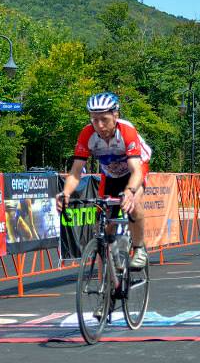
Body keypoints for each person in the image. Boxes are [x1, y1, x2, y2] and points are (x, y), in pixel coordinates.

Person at [57, 92, 150, 269]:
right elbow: (76, 171)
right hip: (110, 174)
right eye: (94, 119)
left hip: (135, 170)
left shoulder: (126, 131)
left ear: (116, 116)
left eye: (104, 119)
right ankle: (113, 256)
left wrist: (130, 192)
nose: (99, 125)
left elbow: (136, 170)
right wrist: (66, 192)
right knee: (103, 221)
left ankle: (139, 248)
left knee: (133, 205)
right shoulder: (87, 134)